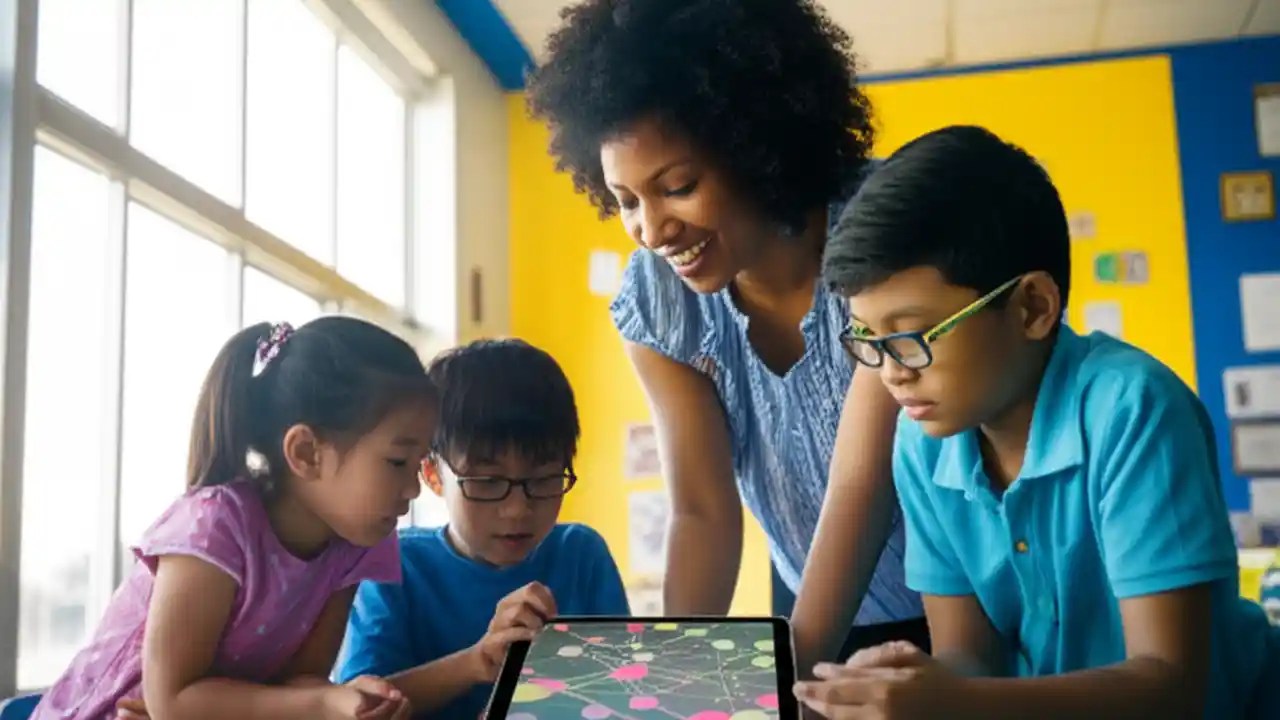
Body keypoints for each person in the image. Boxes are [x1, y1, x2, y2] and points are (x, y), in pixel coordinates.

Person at [796, 124, 1279, 719]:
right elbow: (969, 654)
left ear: (1032, 307)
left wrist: (960, 703)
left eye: (913, 336)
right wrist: (918, 684)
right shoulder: (922, 445)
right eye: (868, 339)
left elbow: (1171, 685)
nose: (890, 373)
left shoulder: (1132, 410)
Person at [524, 0, 924, 672]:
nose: (651, 230)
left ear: (757, 148)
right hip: (810, 600)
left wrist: (787, 676)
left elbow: (863, 485)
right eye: (625, 200)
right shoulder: (657, 300)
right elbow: (703, 511)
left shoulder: (882, 231)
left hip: (967, 599)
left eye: (677, 186)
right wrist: (676, 678)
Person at [33, 318, 435, 720]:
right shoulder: (216, 525)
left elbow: (300, 684)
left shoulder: (358, 542)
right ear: (307, 452)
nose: (413, 489)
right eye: (397, 461)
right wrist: (323, 702)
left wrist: (348, 701)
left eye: (420, 464)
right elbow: (172, 701)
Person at [335, 339, 630, 719]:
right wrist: (476, 662)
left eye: (543, 480)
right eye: (488, 482)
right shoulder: (392, 563)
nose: (517, 509)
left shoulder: (581, 554)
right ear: (432, 473)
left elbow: (627, 690)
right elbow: (358, 707)